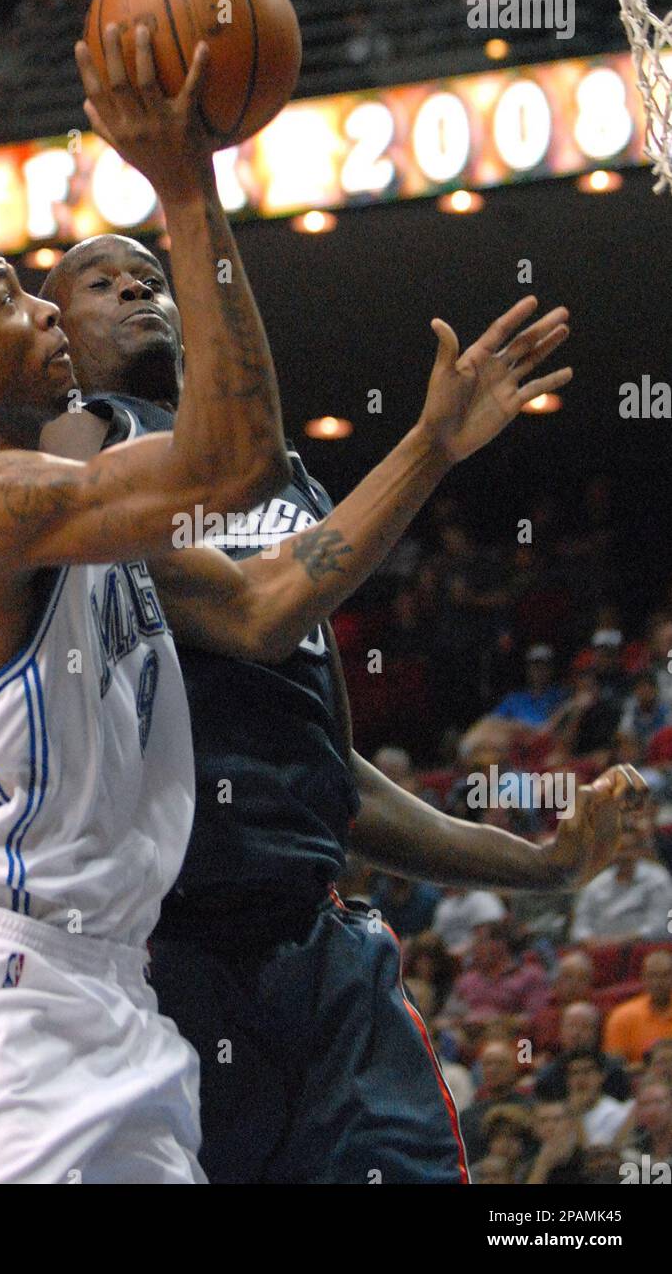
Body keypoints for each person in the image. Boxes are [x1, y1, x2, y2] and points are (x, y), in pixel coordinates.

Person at [38, 231, 645, 1182]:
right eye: (99, 284)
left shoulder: (281, 477)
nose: (132, 291)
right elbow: (260, 616)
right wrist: (428, 444)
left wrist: (544, 866)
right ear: (55, 339)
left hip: (316, 944)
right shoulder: (76, 452)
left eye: (150, 280)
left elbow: (338, 778)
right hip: (162, 955)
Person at [0, 26, 291, 1184]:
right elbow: (234, 463)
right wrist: (185, 186)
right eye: (8, 297)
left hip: (114, 998)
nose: (42, 307)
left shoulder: (55, 496)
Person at [570, 828, 672, 942]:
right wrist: (590, 940)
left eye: (629, 849)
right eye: (619, 850)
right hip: (600, 948)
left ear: (639, 851)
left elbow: (658, 927)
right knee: (573, 960)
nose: (624, 855)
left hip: (645, 947)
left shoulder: (657, 878)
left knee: (657, 960)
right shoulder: (596, 884)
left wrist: (621, 940)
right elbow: (579, 928)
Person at [534, 1001, 630, 1102]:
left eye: (584, 1027)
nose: (576, 1033)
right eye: (571, 1026)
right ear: (561, 1031)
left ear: (596, 1032)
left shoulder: (613, 1071)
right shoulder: (548, 1075)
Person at [603, 950, 672, 1065]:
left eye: (666, 975)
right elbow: (615, 1068)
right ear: (643, 978)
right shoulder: (622, 1016)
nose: (659, 982)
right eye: (652, 975)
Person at [562, 1049, 633, 1147]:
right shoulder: (559, 1112)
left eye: (587, 1071)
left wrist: (575, 1114)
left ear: (601, 1076)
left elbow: (592, 1157)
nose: (580, 1078)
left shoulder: (614, 1113)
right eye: (575, 1073)